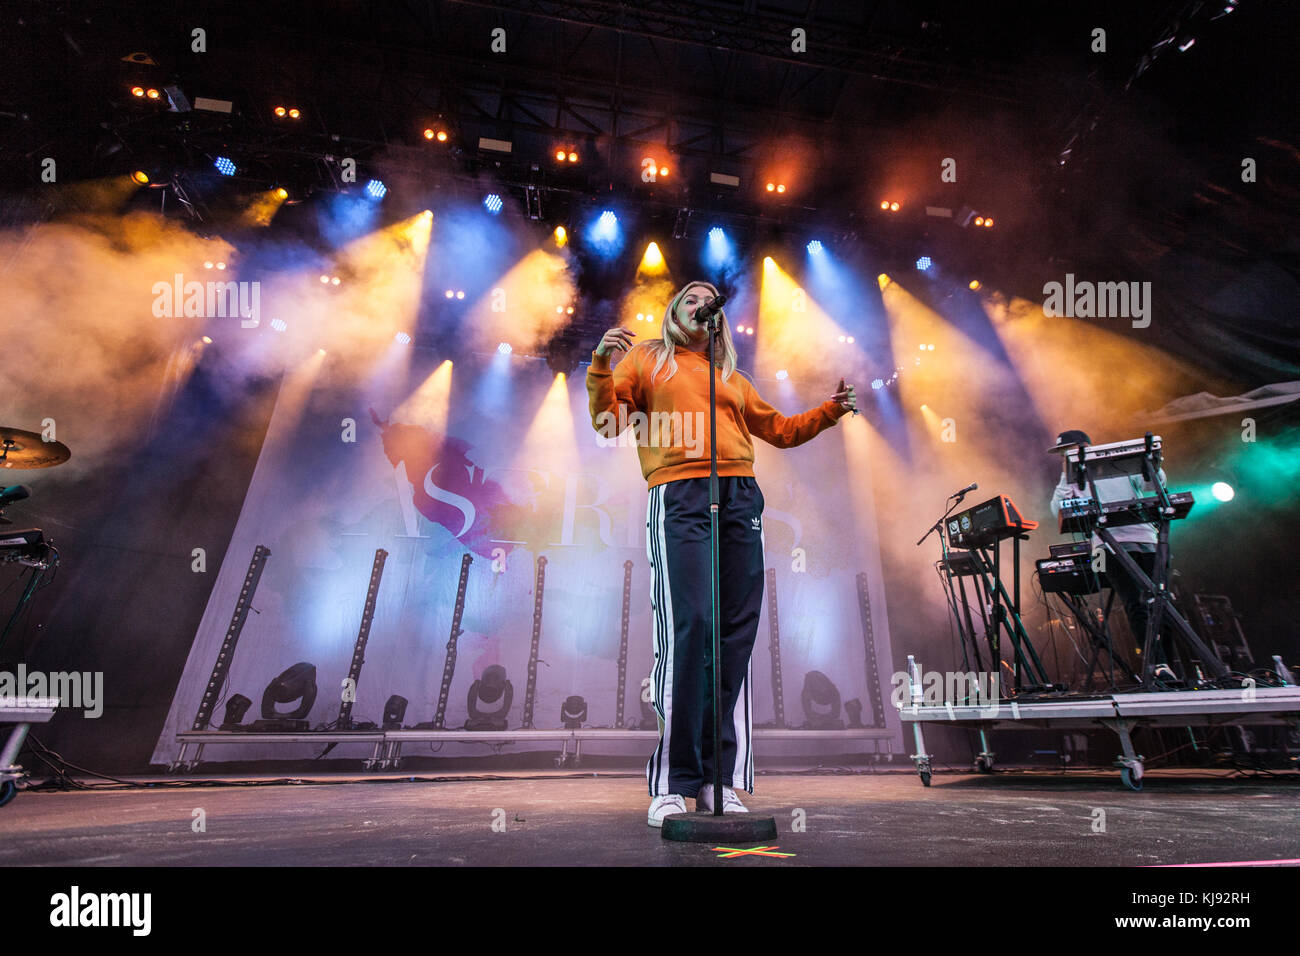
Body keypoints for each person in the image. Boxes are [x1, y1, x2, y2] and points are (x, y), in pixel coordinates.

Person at [586, 280, 857, 827]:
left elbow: (778, 430)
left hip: (738, 497)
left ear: (718, 320)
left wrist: (828, 411)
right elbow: (608, 421)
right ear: (673, 311)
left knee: (734, 634)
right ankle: (672, 781)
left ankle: (719, 780)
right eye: (689, 297)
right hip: (681, 495)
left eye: (707, 299)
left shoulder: (732, 377)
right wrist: (599, 366)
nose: (699, 303)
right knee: (691, 627)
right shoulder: (646, 359)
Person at [1047, 429, 1170, 676]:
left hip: (1146, 539)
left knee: (1160, 602)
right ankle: (1158, 666)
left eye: (1067, 450)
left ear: (1083, 446)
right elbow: (1056, 510)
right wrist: (1066, 476)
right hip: (1106, 547)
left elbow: (1153, 484)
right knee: (1135, 602)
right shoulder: (1072, 480)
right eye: (1061, 453)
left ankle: (1171, 665)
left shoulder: (1118, 465)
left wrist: (1153, 463)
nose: (1063, 456)